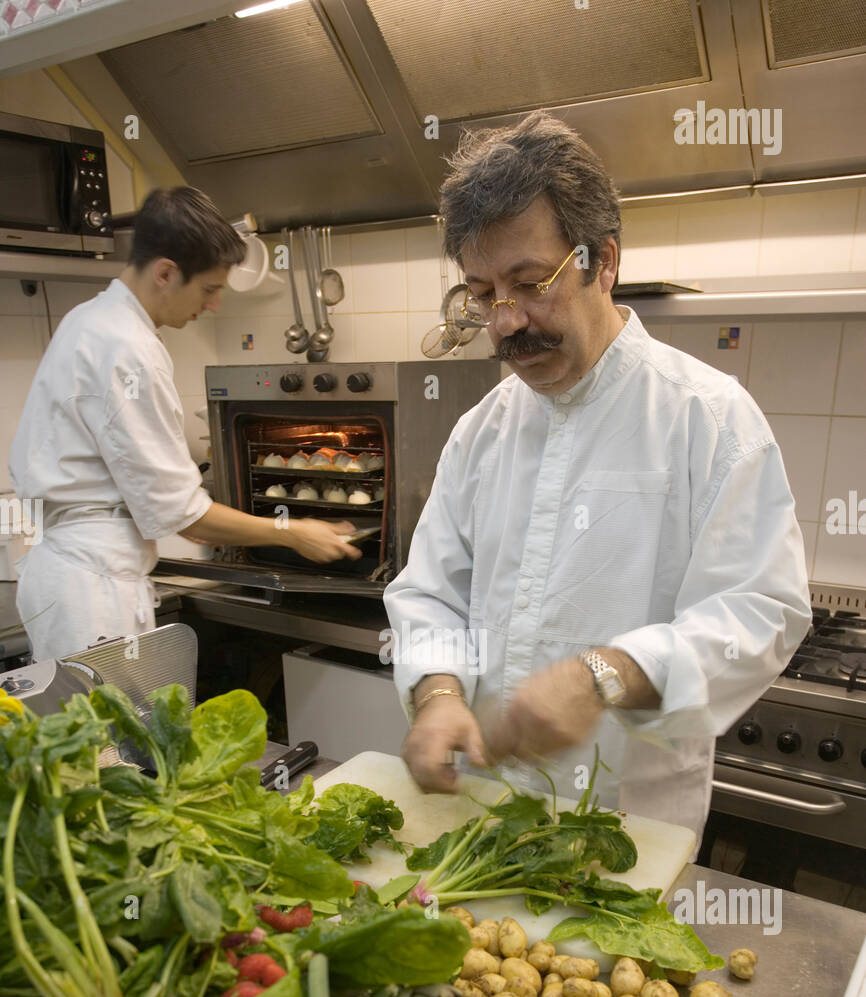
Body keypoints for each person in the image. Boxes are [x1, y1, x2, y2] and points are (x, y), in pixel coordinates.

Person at [383, 113, 812, 843]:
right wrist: (438, 692)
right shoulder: (481, 431)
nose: (507, 322)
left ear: (602, 262)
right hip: (480, 814)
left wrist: (606, 674)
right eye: (483, 293)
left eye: (529, 283)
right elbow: (429, 592)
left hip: (626, 831)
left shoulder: (705, 417)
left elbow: (760, 611)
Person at [11, 186, 358, 661]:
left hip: (70, 576)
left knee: (102, 734)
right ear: (166, 273)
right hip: (92, 591)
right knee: (112, 736)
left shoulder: (88, 319)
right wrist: (294, 532)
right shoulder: (127, 348)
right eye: (210, 289)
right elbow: (184, 517)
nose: (214, 304)